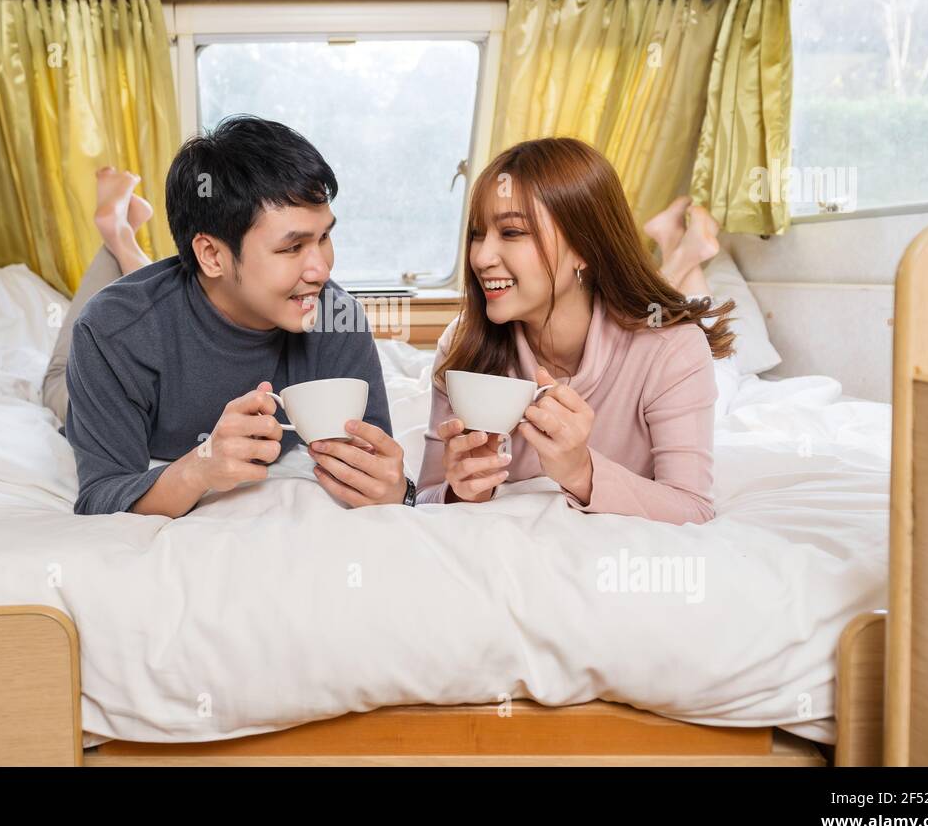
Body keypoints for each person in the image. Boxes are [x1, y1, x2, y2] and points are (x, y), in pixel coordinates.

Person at [53, 116, 414, 519]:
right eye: (292, 248)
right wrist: (199, 468)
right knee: (56, 383)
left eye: (325, 237)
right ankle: (117, 235)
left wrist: (399, 489)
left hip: (183, 287)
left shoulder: (336, 316)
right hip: (81, 377)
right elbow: (102, 496)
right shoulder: (110, 333)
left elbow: (378, 465)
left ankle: (123, 236)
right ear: (211, 255)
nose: (322, 270)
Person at [416, 136, 737, 525]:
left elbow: (694, 507)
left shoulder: (672, 349)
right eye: (478, 233)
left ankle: (684, 251)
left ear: (584, 246)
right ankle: (679, 247)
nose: (481, 257)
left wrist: (580, 471)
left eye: (513, 233)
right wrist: (461, 490)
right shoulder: (462, 343)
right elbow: (427, 495)